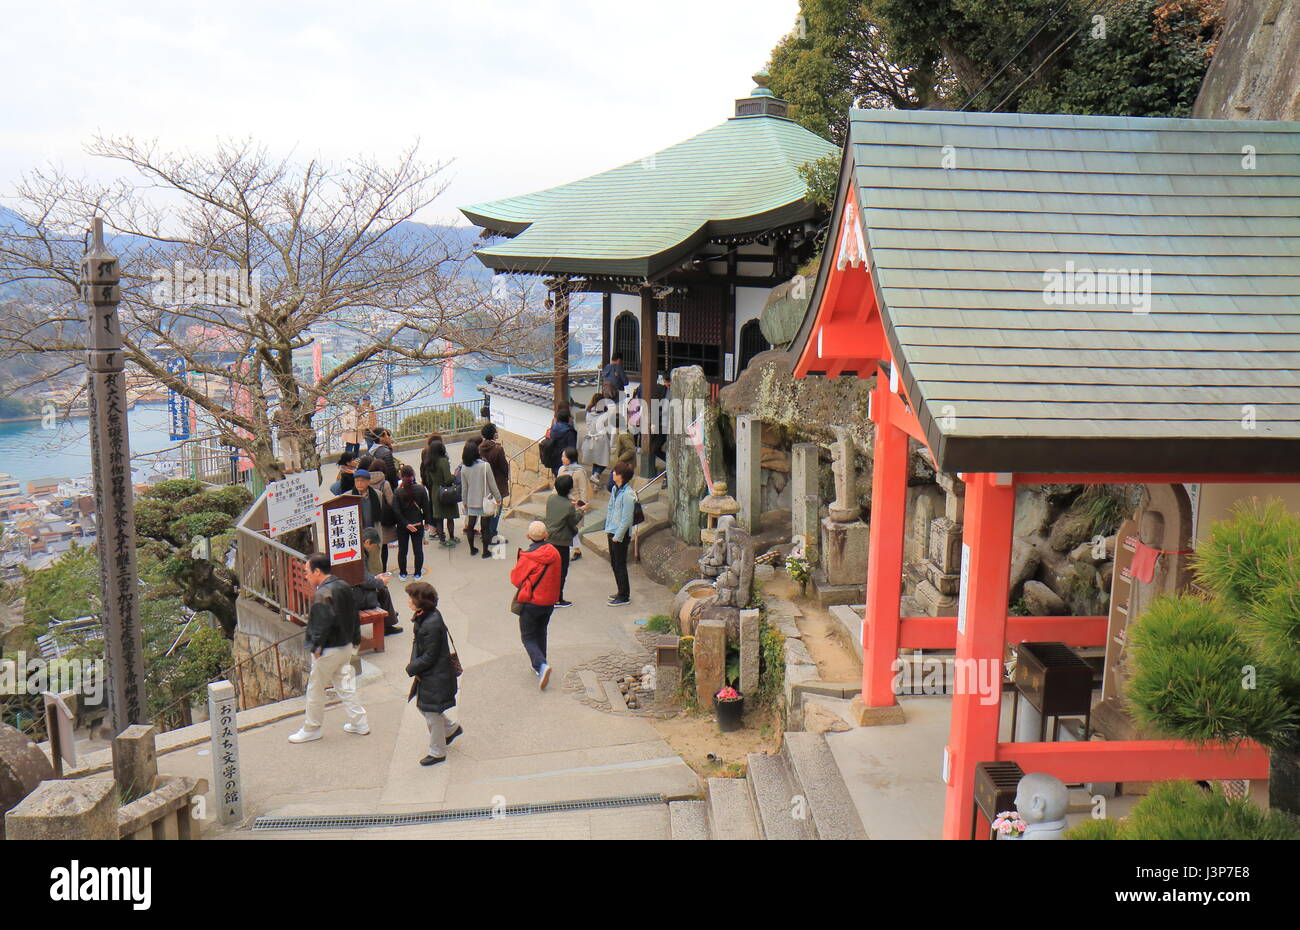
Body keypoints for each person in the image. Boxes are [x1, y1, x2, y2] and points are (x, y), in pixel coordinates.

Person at [290, 553, 368, 742]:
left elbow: (321, 624)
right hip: (346, 644)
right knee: (345, 684)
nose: (306, 576)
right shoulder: (344, 585)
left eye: (307, 572)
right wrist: (356, 638)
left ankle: (312, 728)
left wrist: (316, 647)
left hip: (328, 648)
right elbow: (354, 614)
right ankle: (359, 722)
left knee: (316, 689)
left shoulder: (322, 593)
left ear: (317, 571)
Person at [404, 581, 462, 766]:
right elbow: (418, 644)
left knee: (431, 711)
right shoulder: (426, 616)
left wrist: (412, 668)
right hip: (433, 673)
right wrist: (415, 664)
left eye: (411, 597)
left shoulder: (430, 623)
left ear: (420, 601)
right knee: (427, 708)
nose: (408, 601)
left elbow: (430, 655)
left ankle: (437, 751)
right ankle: (451, 729)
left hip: (436, 674)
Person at [509, 521, 562, 688]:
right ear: (546, 535)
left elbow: (515, 579)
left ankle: (541, 664)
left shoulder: (528, 557)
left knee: (528, 636)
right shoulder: (555, 553)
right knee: (541, 631)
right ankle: (540, 665)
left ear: (528, 536)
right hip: (549, 601)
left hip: (532, 602)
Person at [545, 473, 587, 607]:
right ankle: (558, 598)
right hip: (561, 542)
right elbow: (572, 521)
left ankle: (548, 595)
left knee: (550, 570)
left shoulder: (551, 499)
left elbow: (560, 509)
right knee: (561, 571)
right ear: (570, 489)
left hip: (549, 539)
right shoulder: (569, 507)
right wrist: (581, 510)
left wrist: (571, 505)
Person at [459, 440, 502, 558]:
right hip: (484, 502)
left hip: (471, 502)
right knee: (485, 528)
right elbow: (493, 485)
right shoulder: (485, 466)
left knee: (470, 527)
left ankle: (472, 549)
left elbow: (464, 489)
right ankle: (485, 551)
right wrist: (498, 499)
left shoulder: (464, 468)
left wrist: (465, 503)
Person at [356, 529, 402, 635]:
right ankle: (388, 623)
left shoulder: (358, 552)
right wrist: (380, 581)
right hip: (356, 597)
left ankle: (389, 617)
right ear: (367, 542)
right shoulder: (360, 556)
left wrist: (376, 577)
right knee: (382, 590)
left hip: (354, 591)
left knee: (381, 589)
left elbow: (363, 576)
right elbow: (364, 580)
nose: (373, 549)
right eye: (374, 545)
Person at [357, 456, 397, 572]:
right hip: (382, 519)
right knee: (382, 545)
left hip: (366, 519)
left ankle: (368, 569)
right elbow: (391, 501)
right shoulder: (385, 483)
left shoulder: (365, 482)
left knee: (367, 545)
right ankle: (382, 570)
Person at [604, 460, 636, 606]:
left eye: (615, 472)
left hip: (620, 535)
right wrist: (608, 528)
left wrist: (618, 536)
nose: (613, 474)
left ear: (621, 475)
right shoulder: (615, 490)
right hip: (612, 531)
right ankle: (620, 591)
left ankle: (624, 595)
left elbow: (627, 518)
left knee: (620, 564)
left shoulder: (628, 494)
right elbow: (611, 509)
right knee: (614, 564)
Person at [393, 465, 432, 579]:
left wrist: (405, 523)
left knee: (402, 550)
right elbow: (426, 507)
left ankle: (403, 573)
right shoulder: (421, 489)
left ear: (401, 476)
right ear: (413, 475)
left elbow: (396, 510)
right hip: (417, 524)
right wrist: (426, 522)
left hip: (403, 526)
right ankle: (417, 573)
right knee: (418, 550)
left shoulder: (398, 491)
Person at [421, 437, 459, 547]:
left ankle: (442, 539)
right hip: (446, 491)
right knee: (450, 516)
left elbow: (428, 480)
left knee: (439, 517)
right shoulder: (443, 461)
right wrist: (454, 476)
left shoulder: (428, 463)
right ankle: (451, 537)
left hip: (435, 490)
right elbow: (447, 479)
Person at [556, 446, 592, 560]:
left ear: (570, 458)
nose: (562, 458)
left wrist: (583, 506)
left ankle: (572, 551)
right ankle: (575, 550)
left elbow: (583, 490)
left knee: (571, 528)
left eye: (564, 456)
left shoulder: (579, 472)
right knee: (567, 528)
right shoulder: (561, 469)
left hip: (574, 505)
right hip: (562, 503)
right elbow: (556, 486)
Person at [477, 424, 510, 543]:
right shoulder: (497, 449)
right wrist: (506, 477)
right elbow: (504, 467)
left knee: (486, 508)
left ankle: (484, 532)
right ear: (493, 434)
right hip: (497, 483)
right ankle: (492, 534)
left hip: (484, 483)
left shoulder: (480, 448)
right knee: (496, 510)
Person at [579, 387, 615, 482]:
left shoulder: (588, 413)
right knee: (604, 461)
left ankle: (594, 479)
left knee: (596, 460)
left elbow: (587, 426)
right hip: (602, 439)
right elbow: (608, 429)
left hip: (591, 438)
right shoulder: (606, 414)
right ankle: (596, 474)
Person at [543, 407, 578, 475]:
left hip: (555, 458)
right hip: (566, 460)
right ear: (567, 418)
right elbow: (572, 448)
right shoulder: (569, 431)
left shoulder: (554, 428)